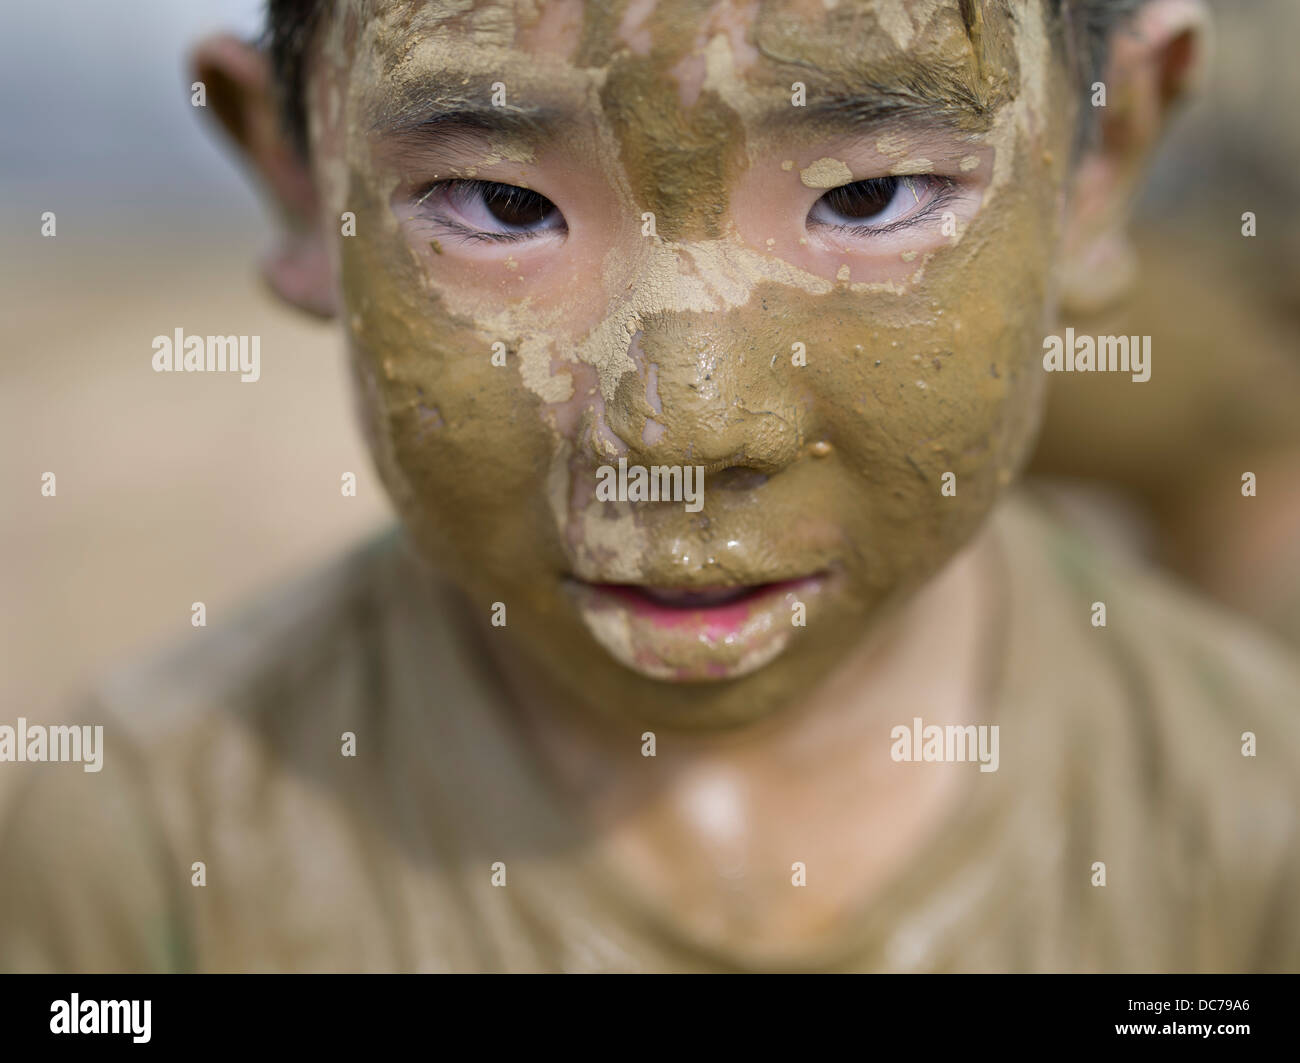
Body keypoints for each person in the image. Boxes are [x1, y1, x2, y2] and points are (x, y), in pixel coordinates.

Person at [2, 0, 1297, 973]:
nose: (682, 422)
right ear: (293, 176)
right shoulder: (146, 860)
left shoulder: (1250, 839)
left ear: (1102, 158)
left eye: (870, 195)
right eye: (500, 205)